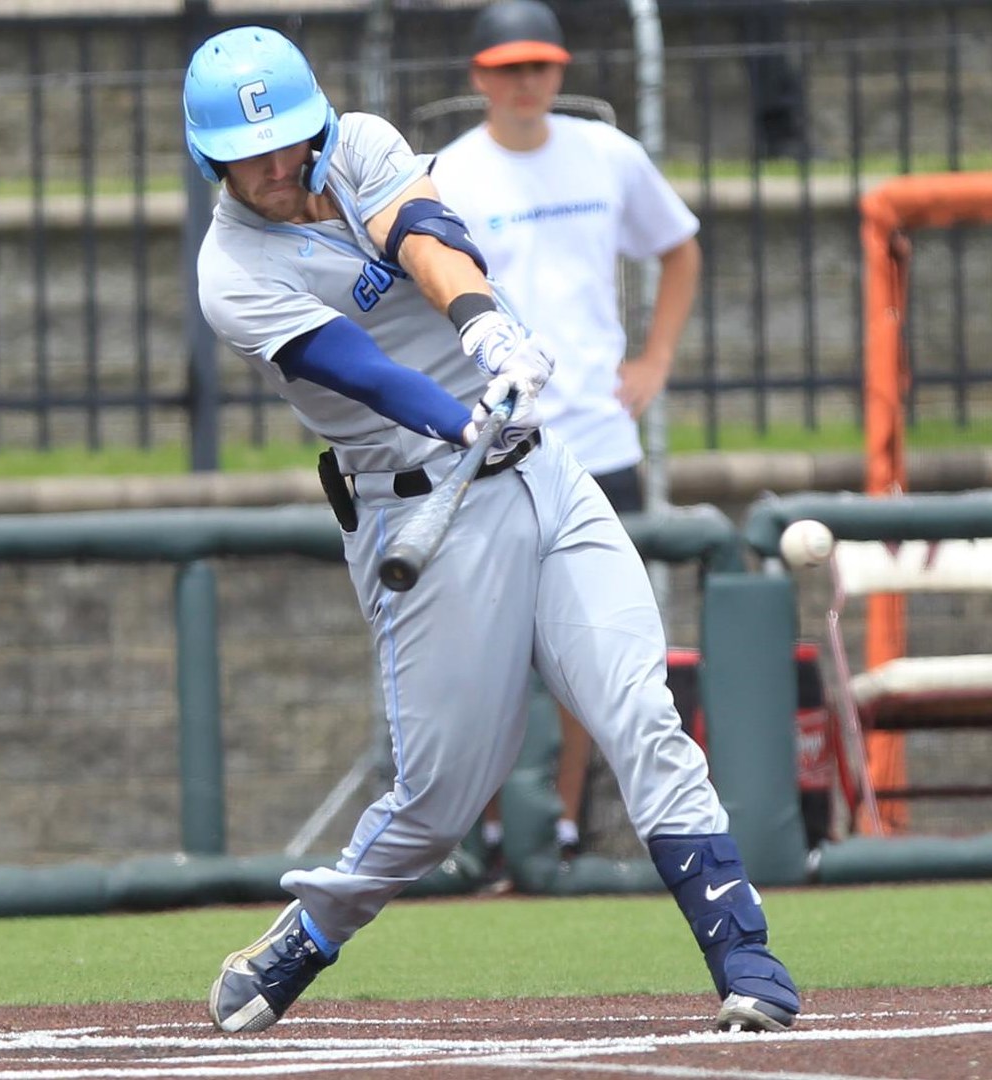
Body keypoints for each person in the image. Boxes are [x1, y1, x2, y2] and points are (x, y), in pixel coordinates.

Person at [184, 25, 800, 1035]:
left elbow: (419, 234)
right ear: (212, 159)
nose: (275, 168)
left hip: (546, 473)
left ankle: (746, 959)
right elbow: (357, 368)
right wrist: (457, 411)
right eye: (248, 156)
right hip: (421, 501)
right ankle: (312, 928)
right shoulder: (230, 275)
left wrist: (484, 327)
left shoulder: (363, 145)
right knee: (435, 803)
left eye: (288, 143)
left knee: (635, 708)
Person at [431, 0, 704, 876]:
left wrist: (654, 360)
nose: (526, 82)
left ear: (560, 71)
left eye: (540, 66)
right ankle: (495, 828)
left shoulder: (607, 154)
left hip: (599, 441)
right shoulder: (449, 174)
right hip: (498, 444)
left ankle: (566, 827)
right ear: (479, 77)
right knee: (494, 650)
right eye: (508, 67)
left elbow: (680, 246)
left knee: (597, 648)